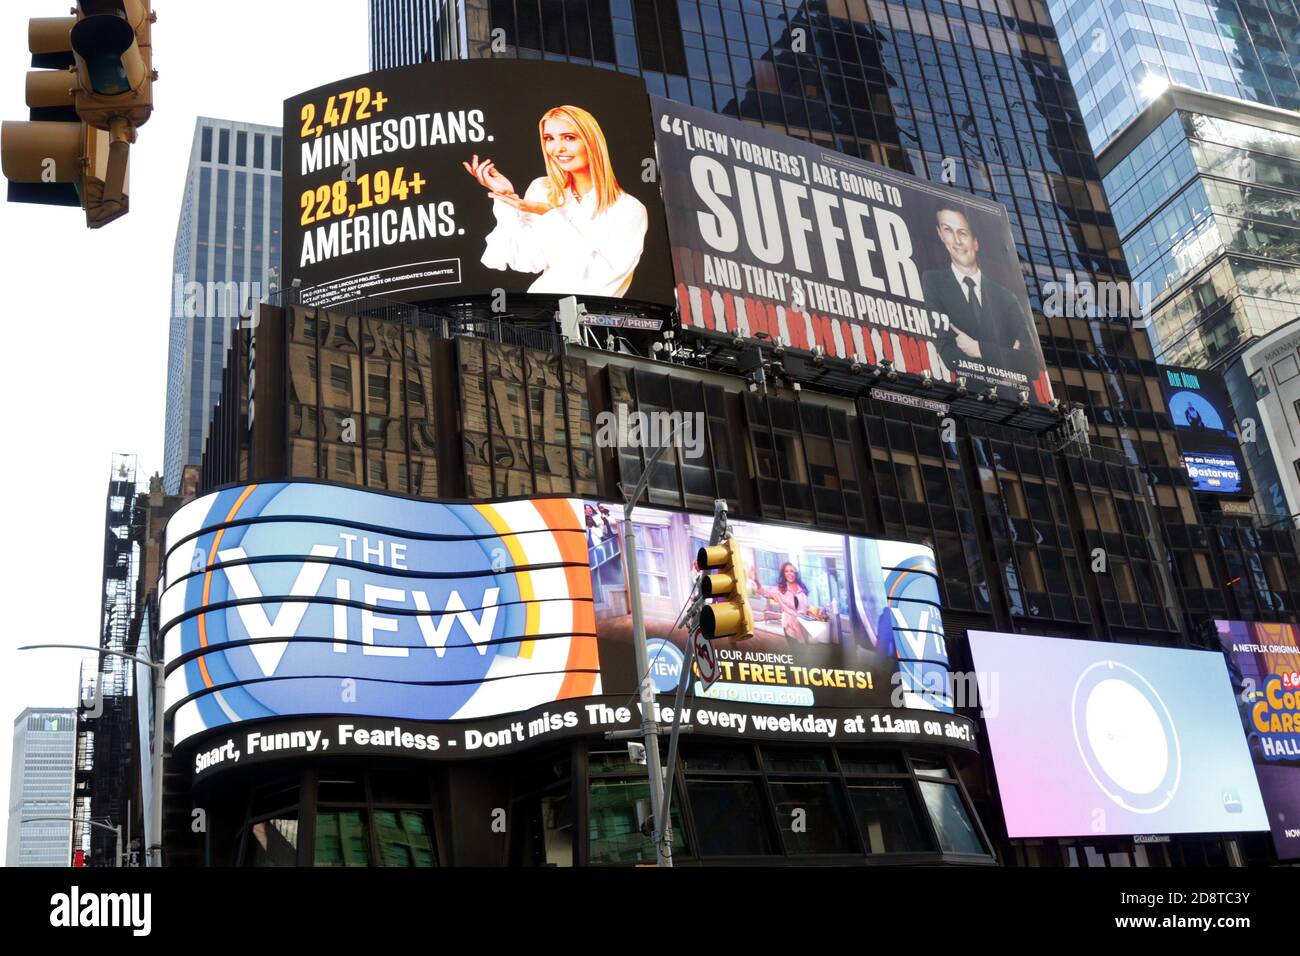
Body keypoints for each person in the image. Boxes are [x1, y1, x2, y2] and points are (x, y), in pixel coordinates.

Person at [463, 105, 648, 297]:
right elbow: (525, 260)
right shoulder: (542, 189)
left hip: (587, 320)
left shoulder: (628, 209)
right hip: (537, 315)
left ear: (591, 141)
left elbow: (599, 281)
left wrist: (550, 215)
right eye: (549, 138)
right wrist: (507, 198)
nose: (557, 148)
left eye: (569, 137)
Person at [921, 207, 1034, 385]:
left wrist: (977, 349)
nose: (957, 241)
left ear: (975, 243)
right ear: (940, 235)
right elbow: (947, 351)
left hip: (1016, 400)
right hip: (970, 395)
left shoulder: (1007, 297)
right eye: (948, 230)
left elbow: (1030, 363)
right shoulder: (932, 282)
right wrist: (1006, 363)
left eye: (963, 233)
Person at [752, 562, 826, 643]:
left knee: (806, 650)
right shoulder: (780, 589)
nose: (789, 573)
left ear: (795, 573)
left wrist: (815, 614)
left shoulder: (801, 588)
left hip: (803, 624)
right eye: (786, 571)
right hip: (789, 626)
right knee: (796, 651)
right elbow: (764, 592)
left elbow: (806, 606)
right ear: (783, 574)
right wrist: (755, 580)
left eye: (791, 571)